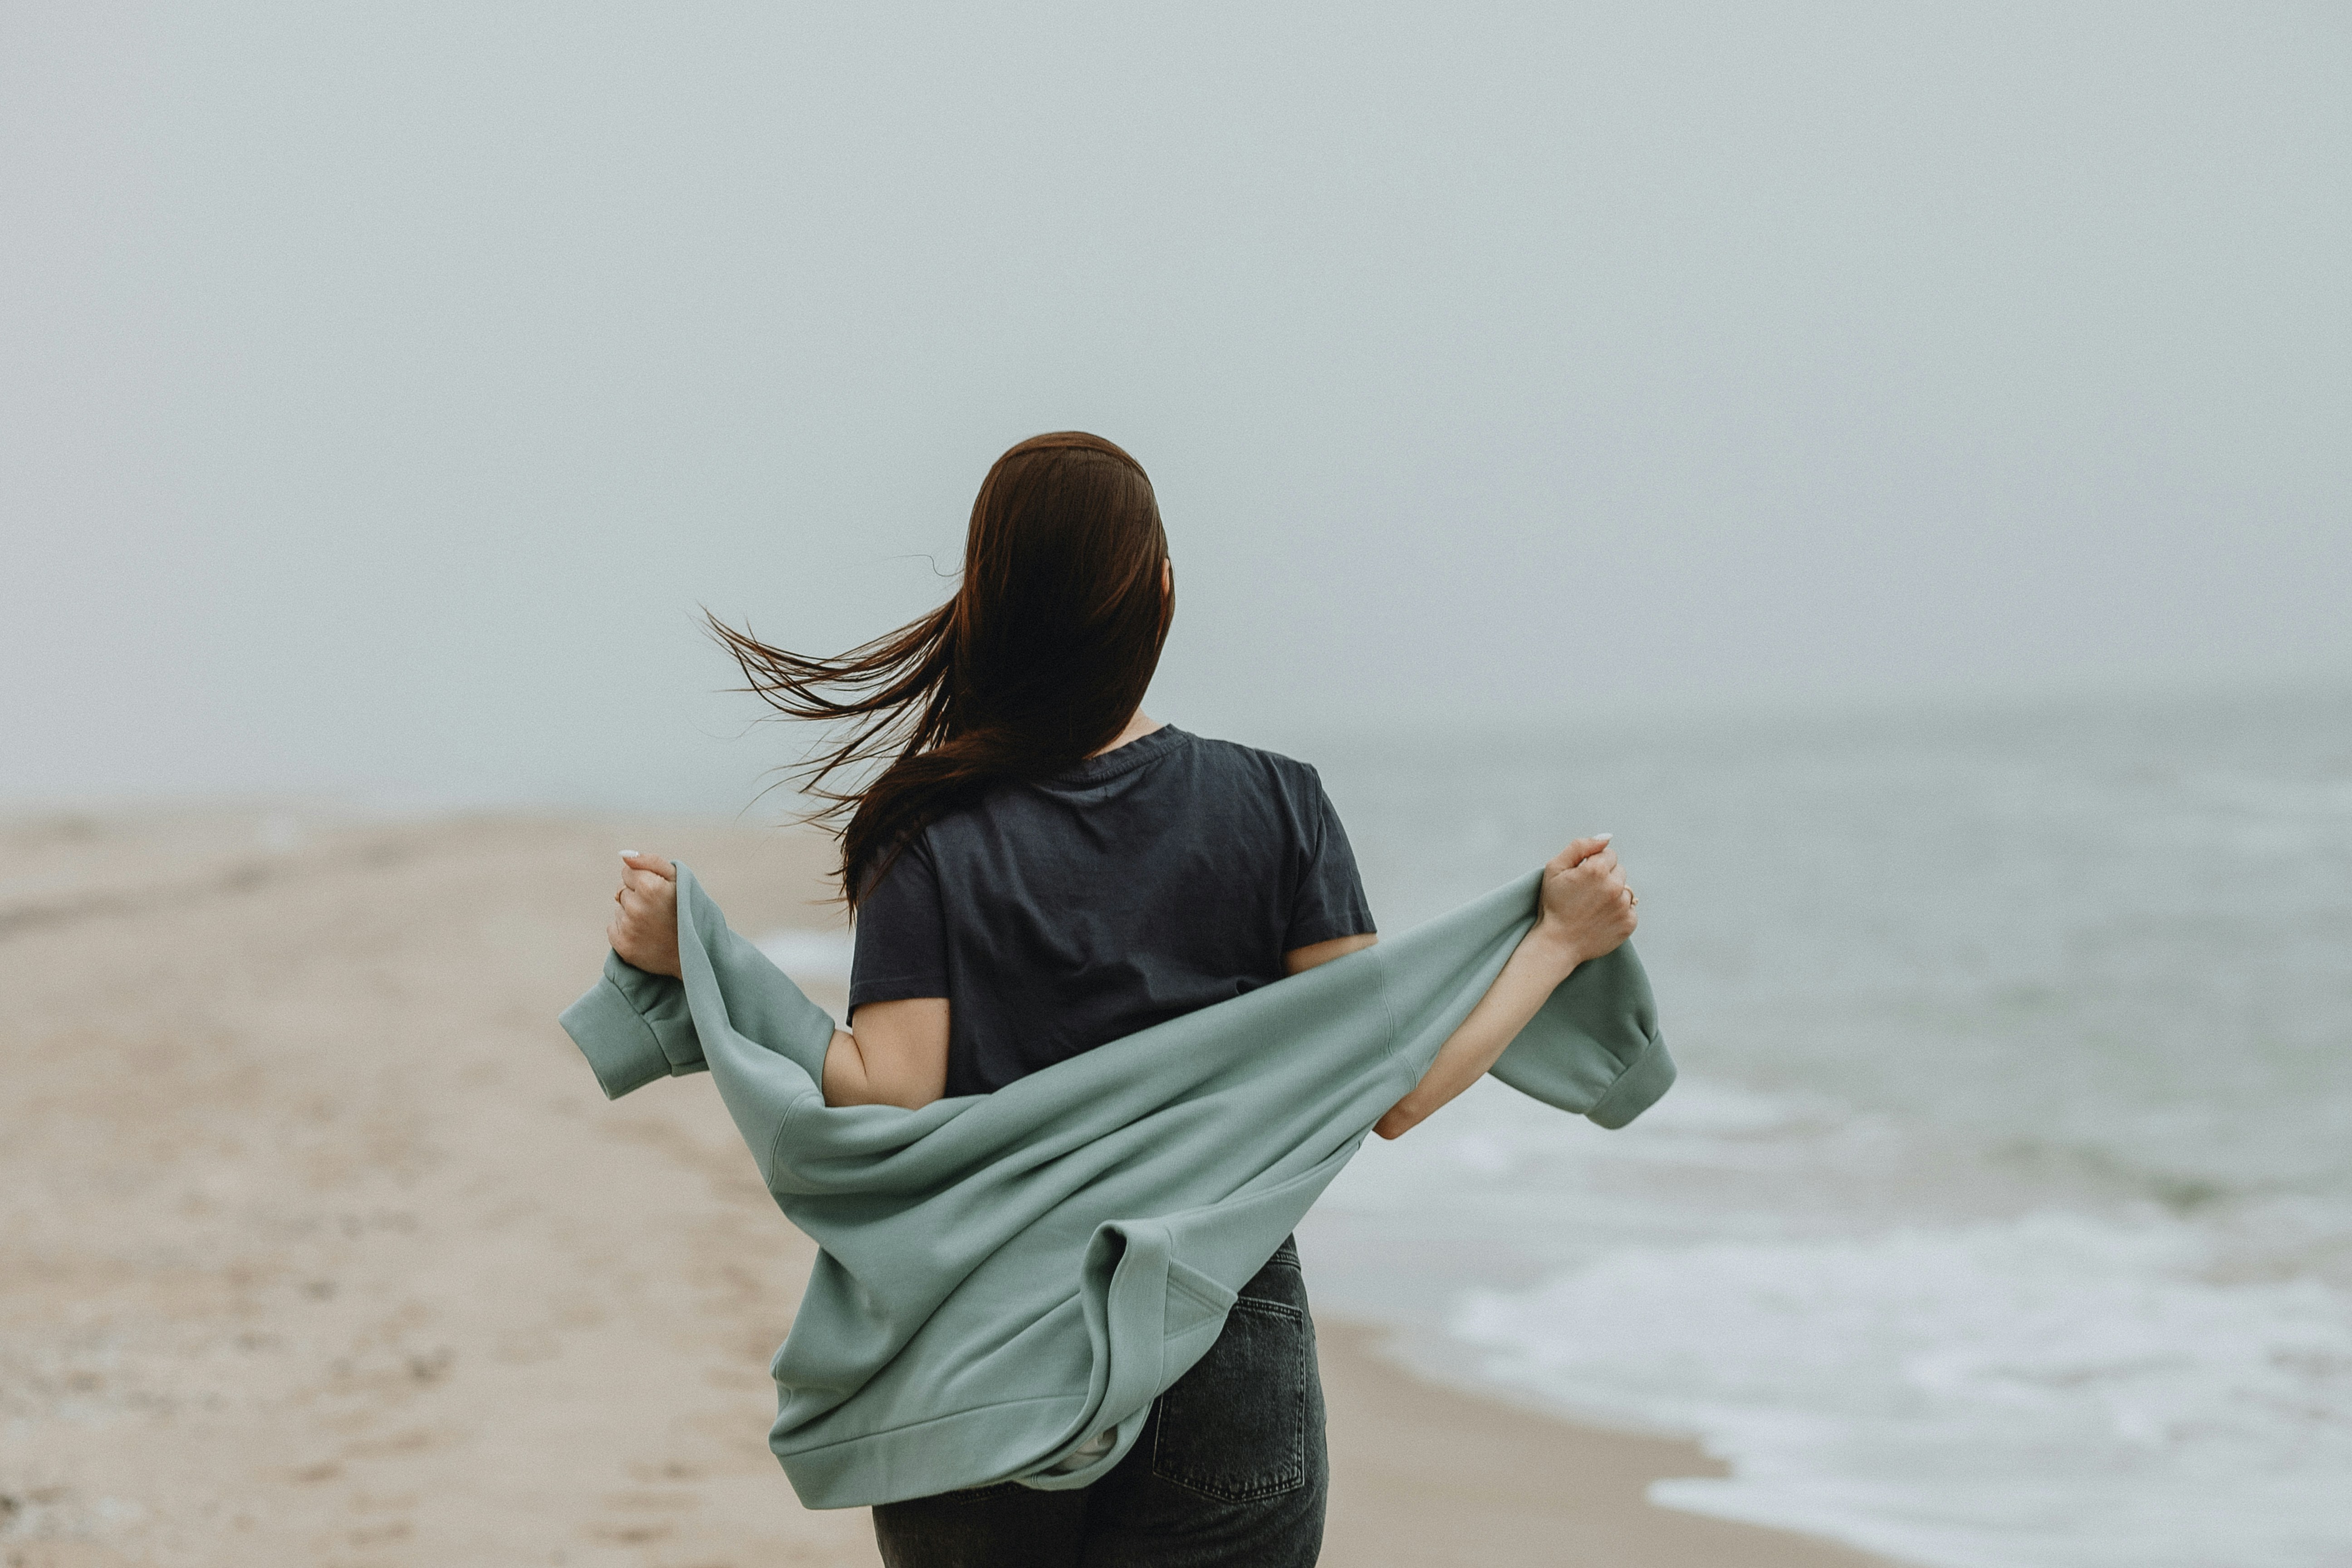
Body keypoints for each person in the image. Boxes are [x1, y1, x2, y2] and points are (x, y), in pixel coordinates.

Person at [602, 431, 1636, 1567]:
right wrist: (1553, 942)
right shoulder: (1276, 805)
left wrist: (708, 969)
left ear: (988, 603)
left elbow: (887, 1099)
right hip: (1223, 1333)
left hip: (980, 1348)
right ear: (1157, 595)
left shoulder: (925, 828)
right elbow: (1383, 1093)